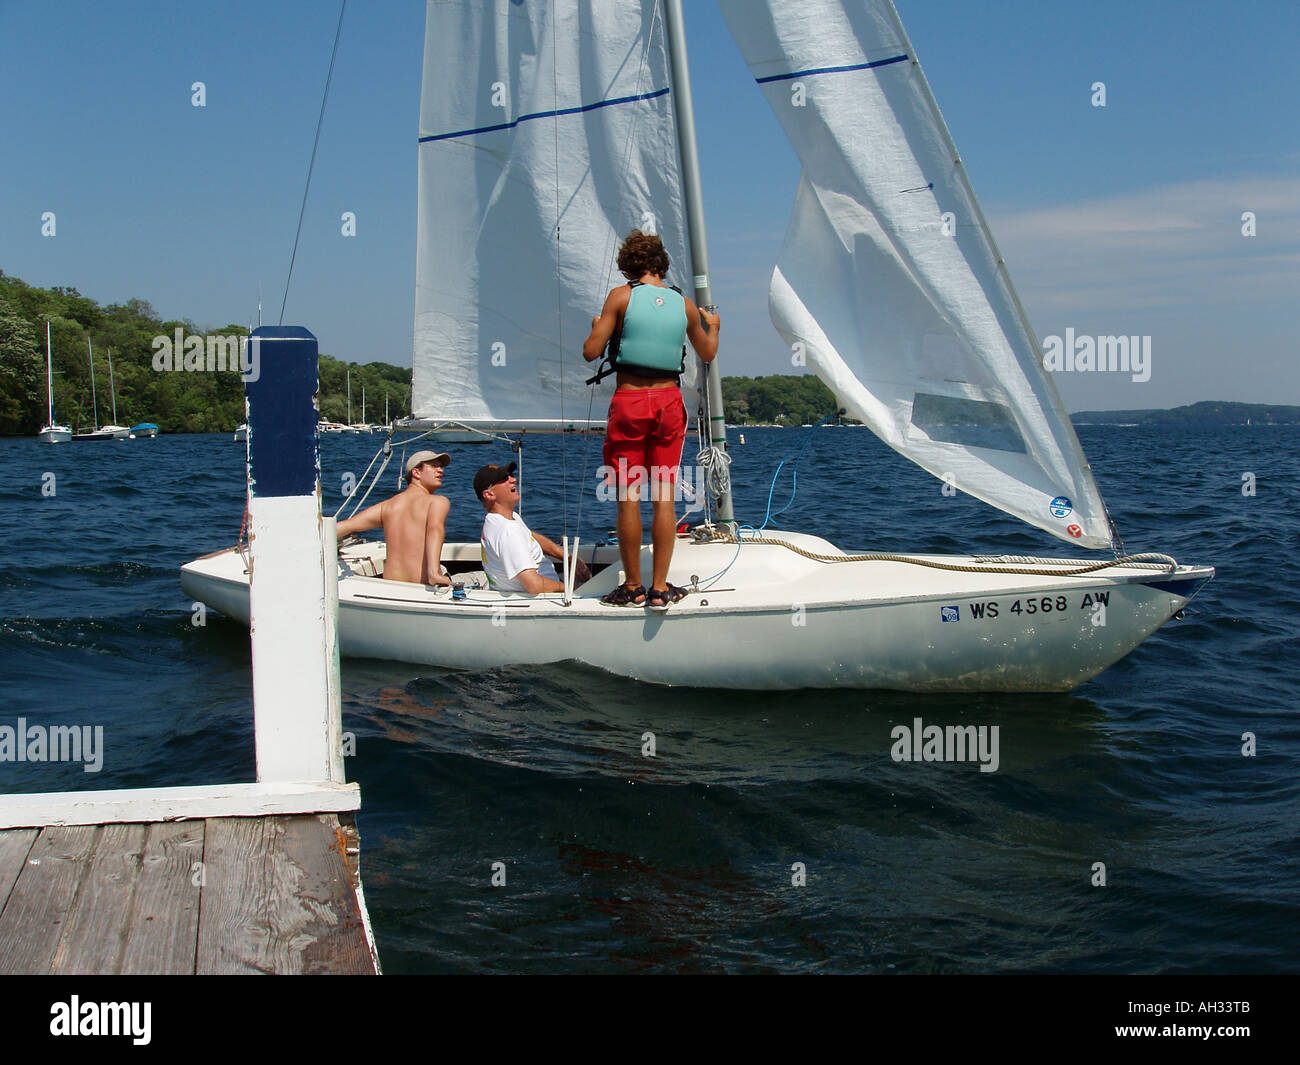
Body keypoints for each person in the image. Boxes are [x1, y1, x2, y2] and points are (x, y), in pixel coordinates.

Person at [581, 229, 719, 610]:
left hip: (630, 402)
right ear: (661, 265)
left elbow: (590, 352)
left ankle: (632, 588)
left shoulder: (621, 297)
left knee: (627, 496)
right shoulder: (685, 305)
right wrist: (716, 327)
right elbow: (706, 351)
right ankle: (660, 589)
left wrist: (597, 328)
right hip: (669, 403)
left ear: (629, 266)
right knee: (663, 497)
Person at [336, 450, 452, 586]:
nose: (440, 471)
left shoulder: (387, 506)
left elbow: (342, 527)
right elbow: (435, 530)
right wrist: (434, 573)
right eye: (433, 466)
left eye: (441, 466)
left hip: (391, 586)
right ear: (416, 473)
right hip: (423, 586)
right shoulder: (437, 502)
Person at [476, 462, 591, 594]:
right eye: (504, 479)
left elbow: (529, 536)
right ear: (489, 494)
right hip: (543, 597)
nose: (513, 480)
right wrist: (572, 590)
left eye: (511, 475)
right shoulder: (508, 530)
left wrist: (567, 557)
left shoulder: (503, 518)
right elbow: (534, 586)